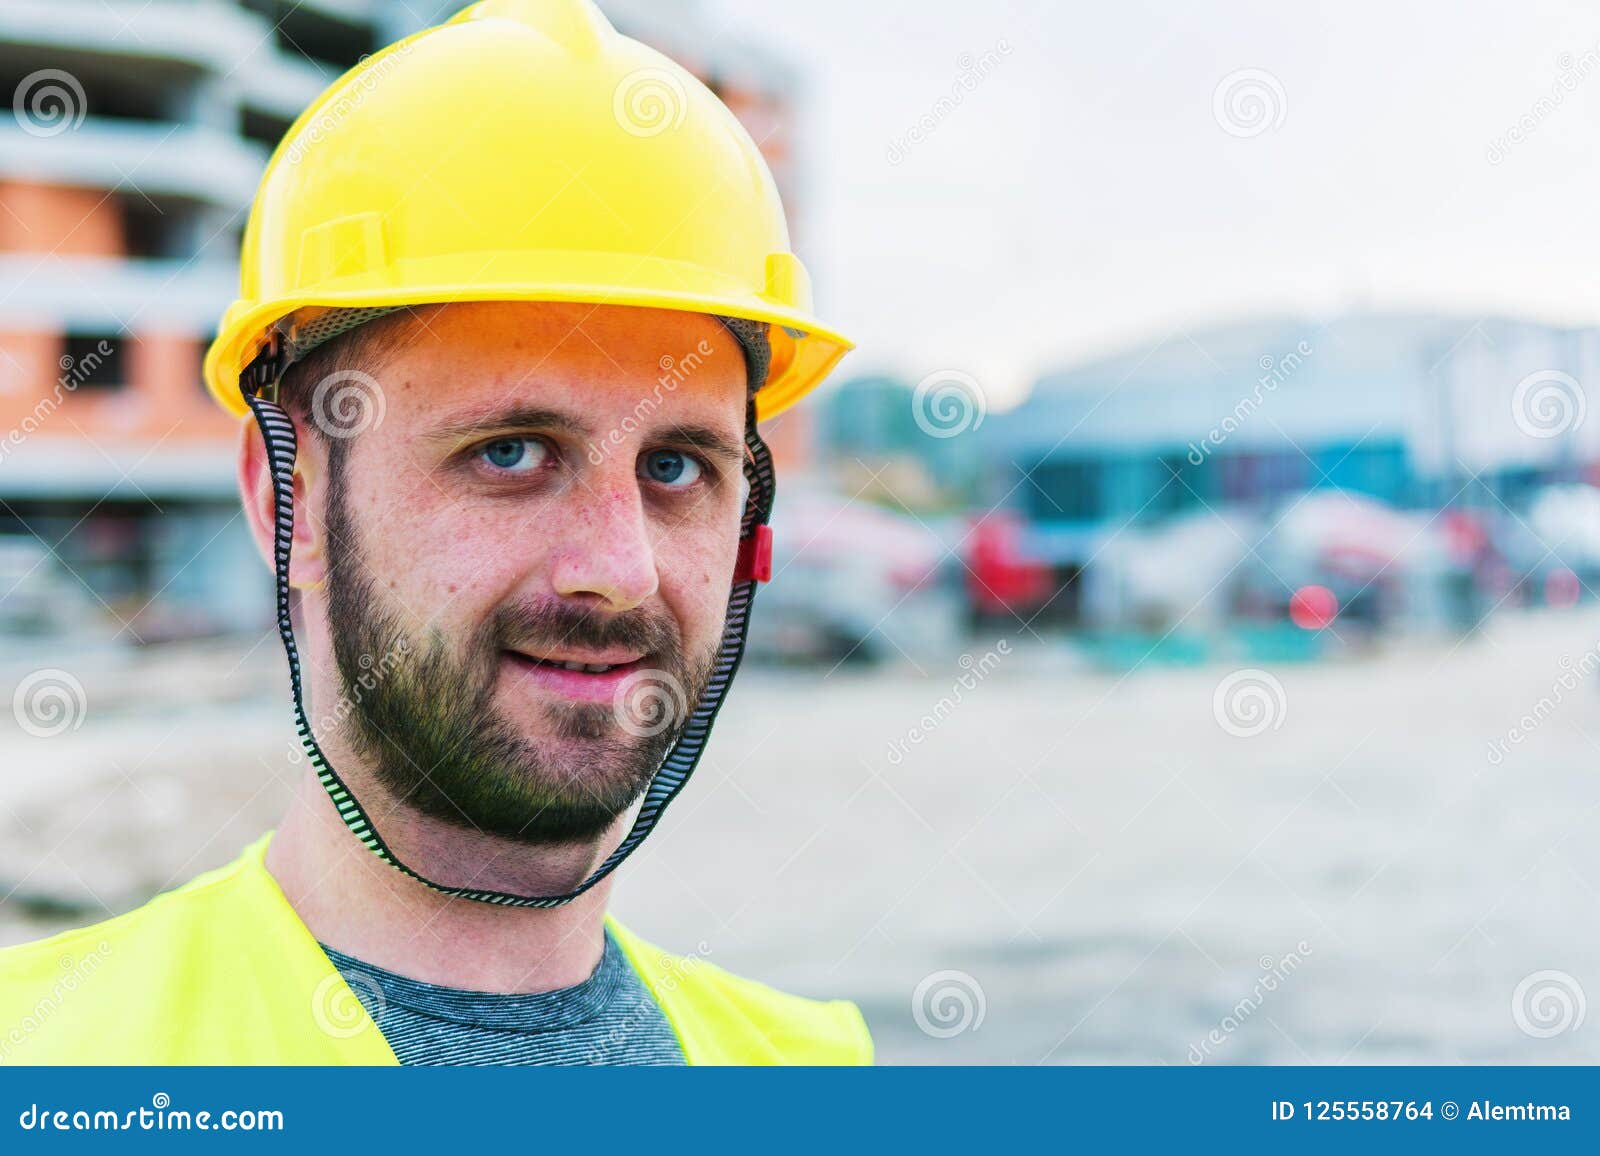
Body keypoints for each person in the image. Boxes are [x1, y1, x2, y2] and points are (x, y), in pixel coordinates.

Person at [0, 0, 870, 1066]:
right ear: (291, 502)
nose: (619, 570)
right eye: (511, 450)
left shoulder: (806, 1069)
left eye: (676, 467)